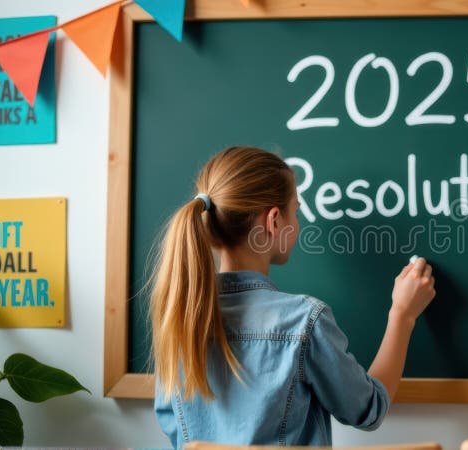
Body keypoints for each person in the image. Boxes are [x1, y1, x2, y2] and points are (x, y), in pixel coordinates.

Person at [150, 146, 436, 447]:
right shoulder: (303, 321)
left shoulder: (179, 321)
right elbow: (369, 409)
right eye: (295, 211)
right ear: (274, 221)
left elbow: (171, 422)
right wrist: (402, 314)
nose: (297, 224)